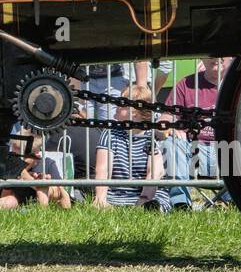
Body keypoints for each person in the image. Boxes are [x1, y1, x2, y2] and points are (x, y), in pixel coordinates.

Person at [160, 58, 231, 210]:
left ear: (231, 58)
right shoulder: (186, 84)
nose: (216, 59)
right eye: (211, 55)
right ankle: (181, 205)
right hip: (195, 152)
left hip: (230, 150)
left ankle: (237, 205)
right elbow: (165, 118)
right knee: (171, 143)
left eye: (222, 54)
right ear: (203, 59)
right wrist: (170, 128)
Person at [93, 83, 169, 211]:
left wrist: (145, 199)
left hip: (148, 194)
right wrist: (100, 198)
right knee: (103, 203)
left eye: (122, 103)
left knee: (160, 202)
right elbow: (102, 168)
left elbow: (155, 172)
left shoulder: (152, 135)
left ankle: (150, 208)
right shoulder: (110, 133)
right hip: (115, 194)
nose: (116, 105)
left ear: (135, 112)